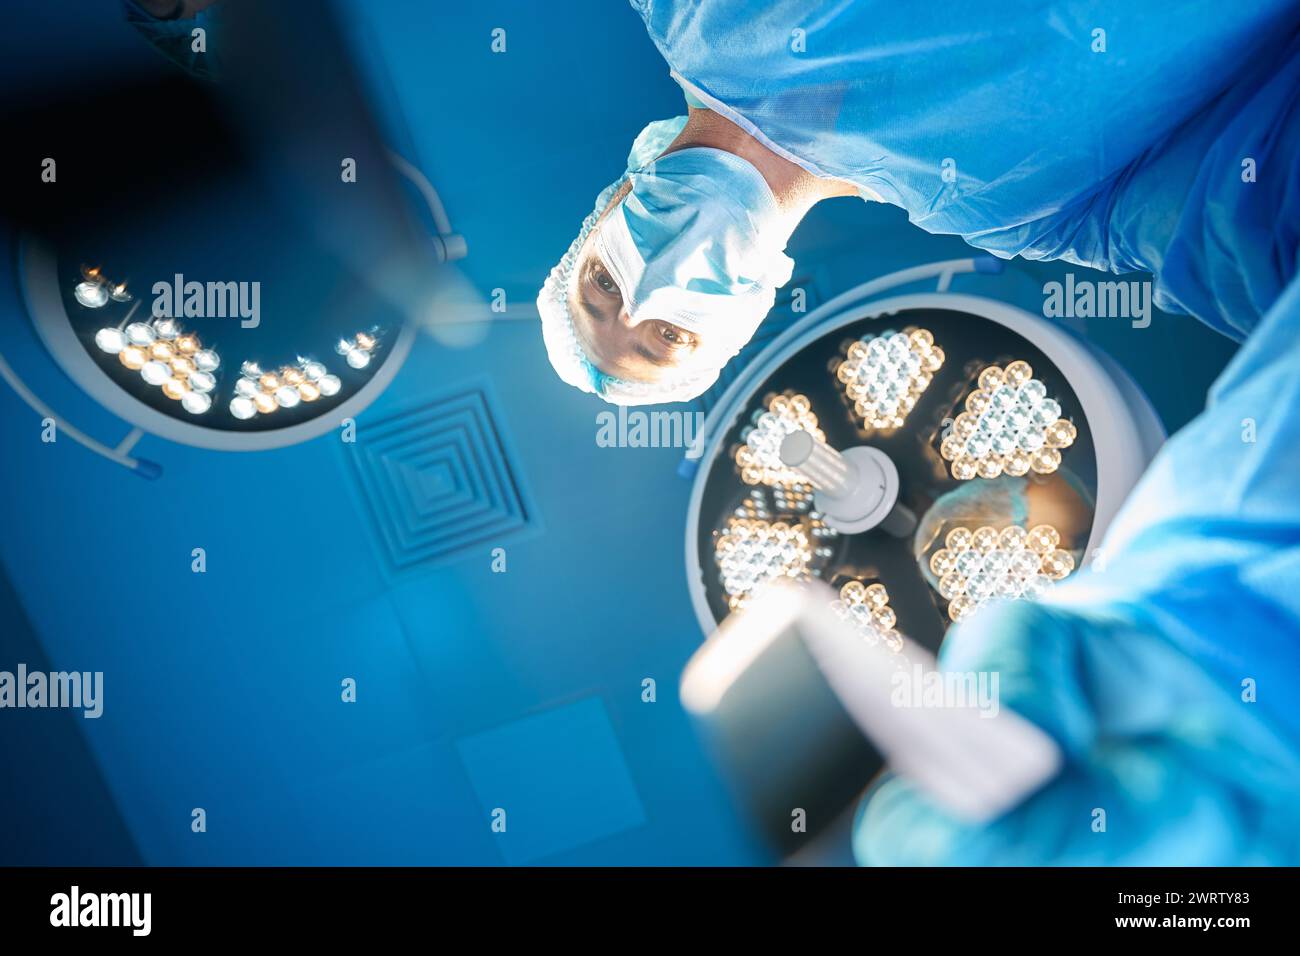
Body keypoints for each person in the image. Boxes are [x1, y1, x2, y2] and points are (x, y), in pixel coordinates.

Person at [538, 0, 1300, 404]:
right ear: (744, 322)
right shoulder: (1022, 208)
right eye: (667, 334)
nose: (650, 286)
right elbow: (1243, 214)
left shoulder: (690, 10)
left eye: (602, 285)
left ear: (601, 214)